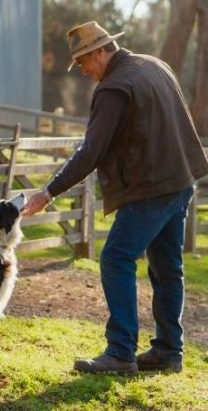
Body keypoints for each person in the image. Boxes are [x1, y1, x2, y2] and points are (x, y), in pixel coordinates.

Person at [23, 20, 208, 374]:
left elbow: (91, 151)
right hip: (181, 180)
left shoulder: (114, 87)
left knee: (116, 258)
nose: (83, 71)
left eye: (82, 62)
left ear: (100, 51)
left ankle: (121, 352)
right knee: (169, 269)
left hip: (151, 187)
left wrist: (48, 192)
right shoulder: (155, 65)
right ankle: (169, 352)